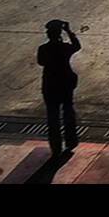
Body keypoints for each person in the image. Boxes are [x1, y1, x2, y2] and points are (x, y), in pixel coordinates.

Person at [37, 19, 81, 157]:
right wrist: (69, 31)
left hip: (50, 84)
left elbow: (41, 62)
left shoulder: (43, 49)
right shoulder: (65, 48)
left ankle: (55, 147)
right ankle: (70, 140)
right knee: (68, 110)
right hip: (65, 83)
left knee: (52, 116)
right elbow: (77, 46)